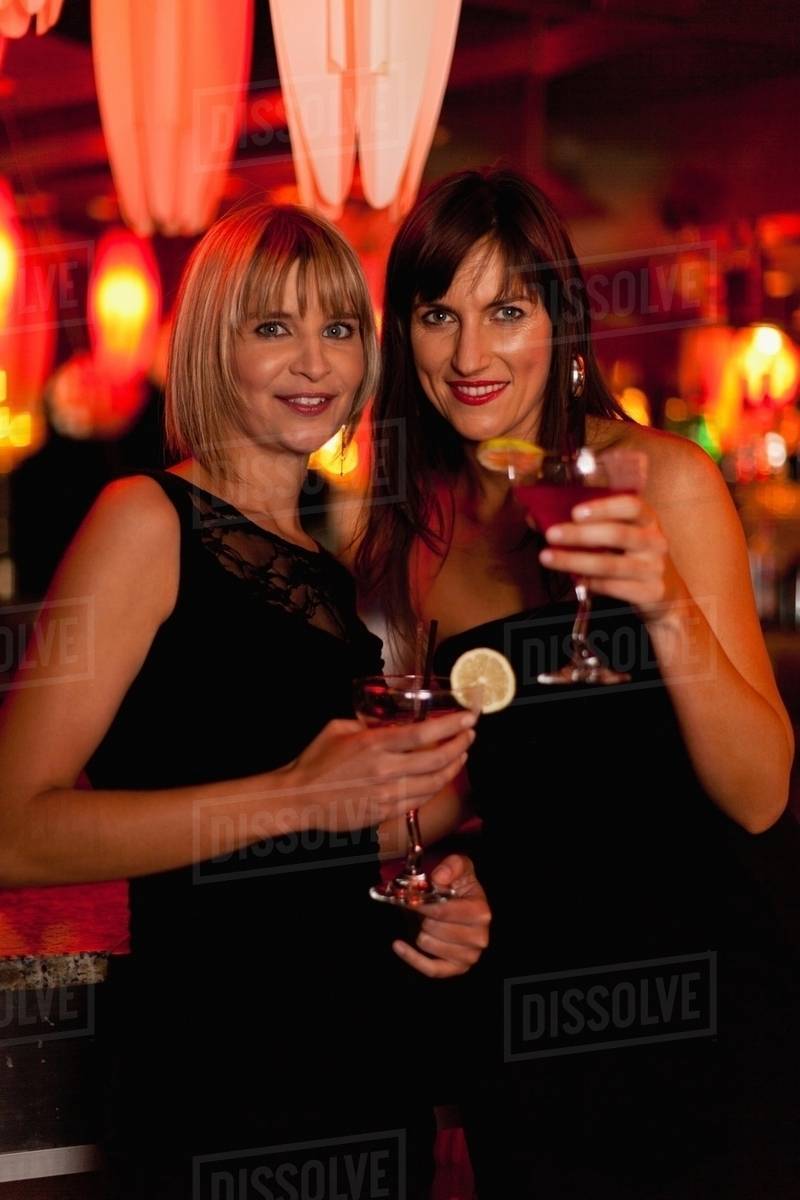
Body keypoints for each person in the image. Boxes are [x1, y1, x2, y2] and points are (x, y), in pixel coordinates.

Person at [0, 203, 492, 1199]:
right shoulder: (146, 518)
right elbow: (15, 830)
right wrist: (292, 796)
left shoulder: (328, 565)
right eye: (273, 327)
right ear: (213, 348)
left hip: (362, 1060)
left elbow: (347, 826)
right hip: (221, 1074)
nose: (314, 362)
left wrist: (445, 867)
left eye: (338, 329)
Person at [356, 168, 800, 1198]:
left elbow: (760, 791)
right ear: (403, 333)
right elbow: (467, 783)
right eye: (438, 314)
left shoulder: (653, 482)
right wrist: (424, 872)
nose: (470, 355)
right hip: (532, 1023)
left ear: (558, 320)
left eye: (504, 310)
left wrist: (667, 609)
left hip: (708, 1012)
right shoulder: (417, 536)